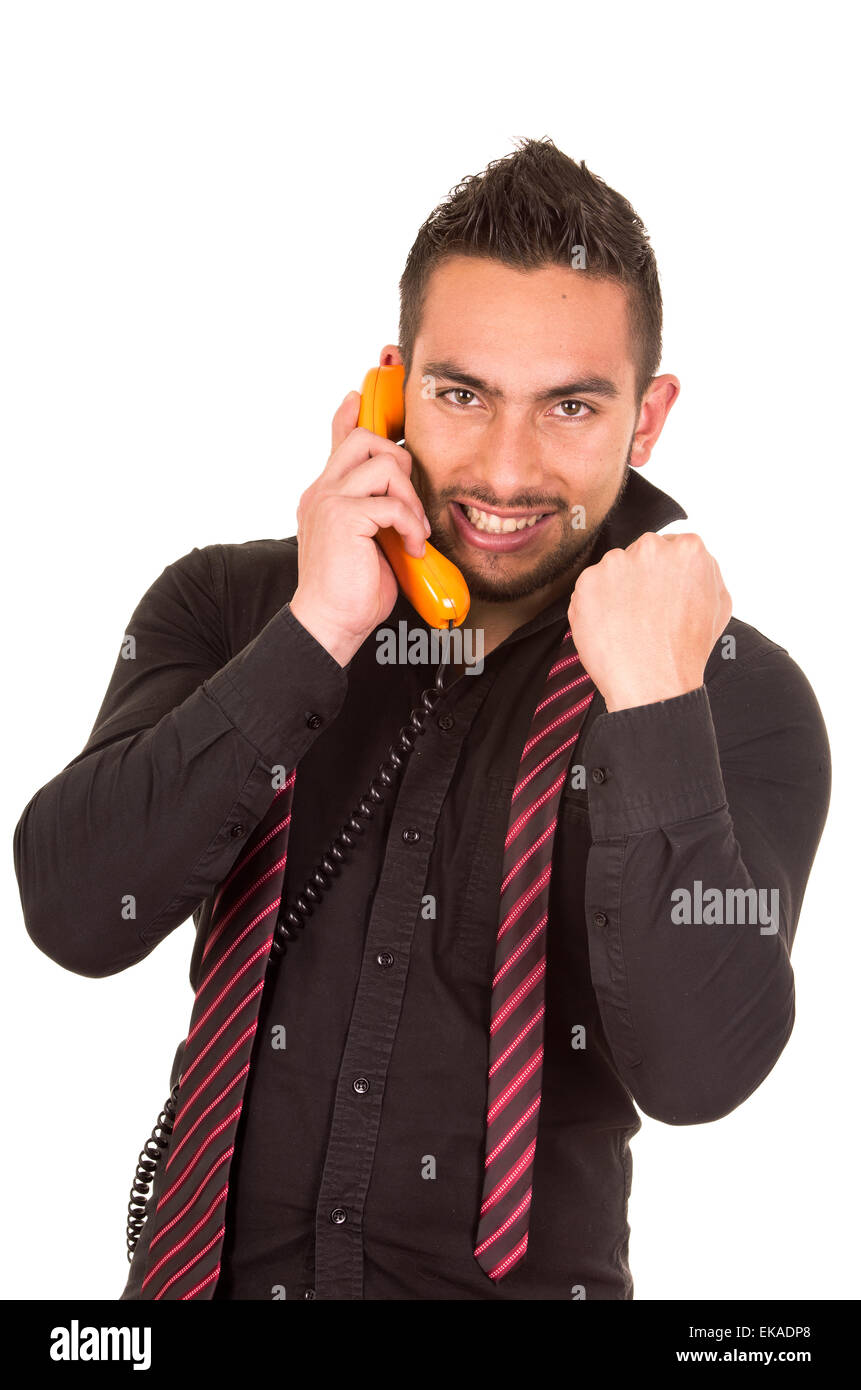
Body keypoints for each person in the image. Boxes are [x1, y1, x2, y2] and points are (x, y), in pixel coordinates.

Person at [13, 137, 830, 1301]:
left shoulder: (733, 693)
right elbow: (75, 912)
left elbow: (701, 1075)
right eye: (462, 395)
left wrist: (654, 708)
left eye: (571, 407)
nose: (504, 469)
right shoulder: (229, 605)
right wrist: (312, 638)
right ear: (392, 386)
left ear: (648, 420)